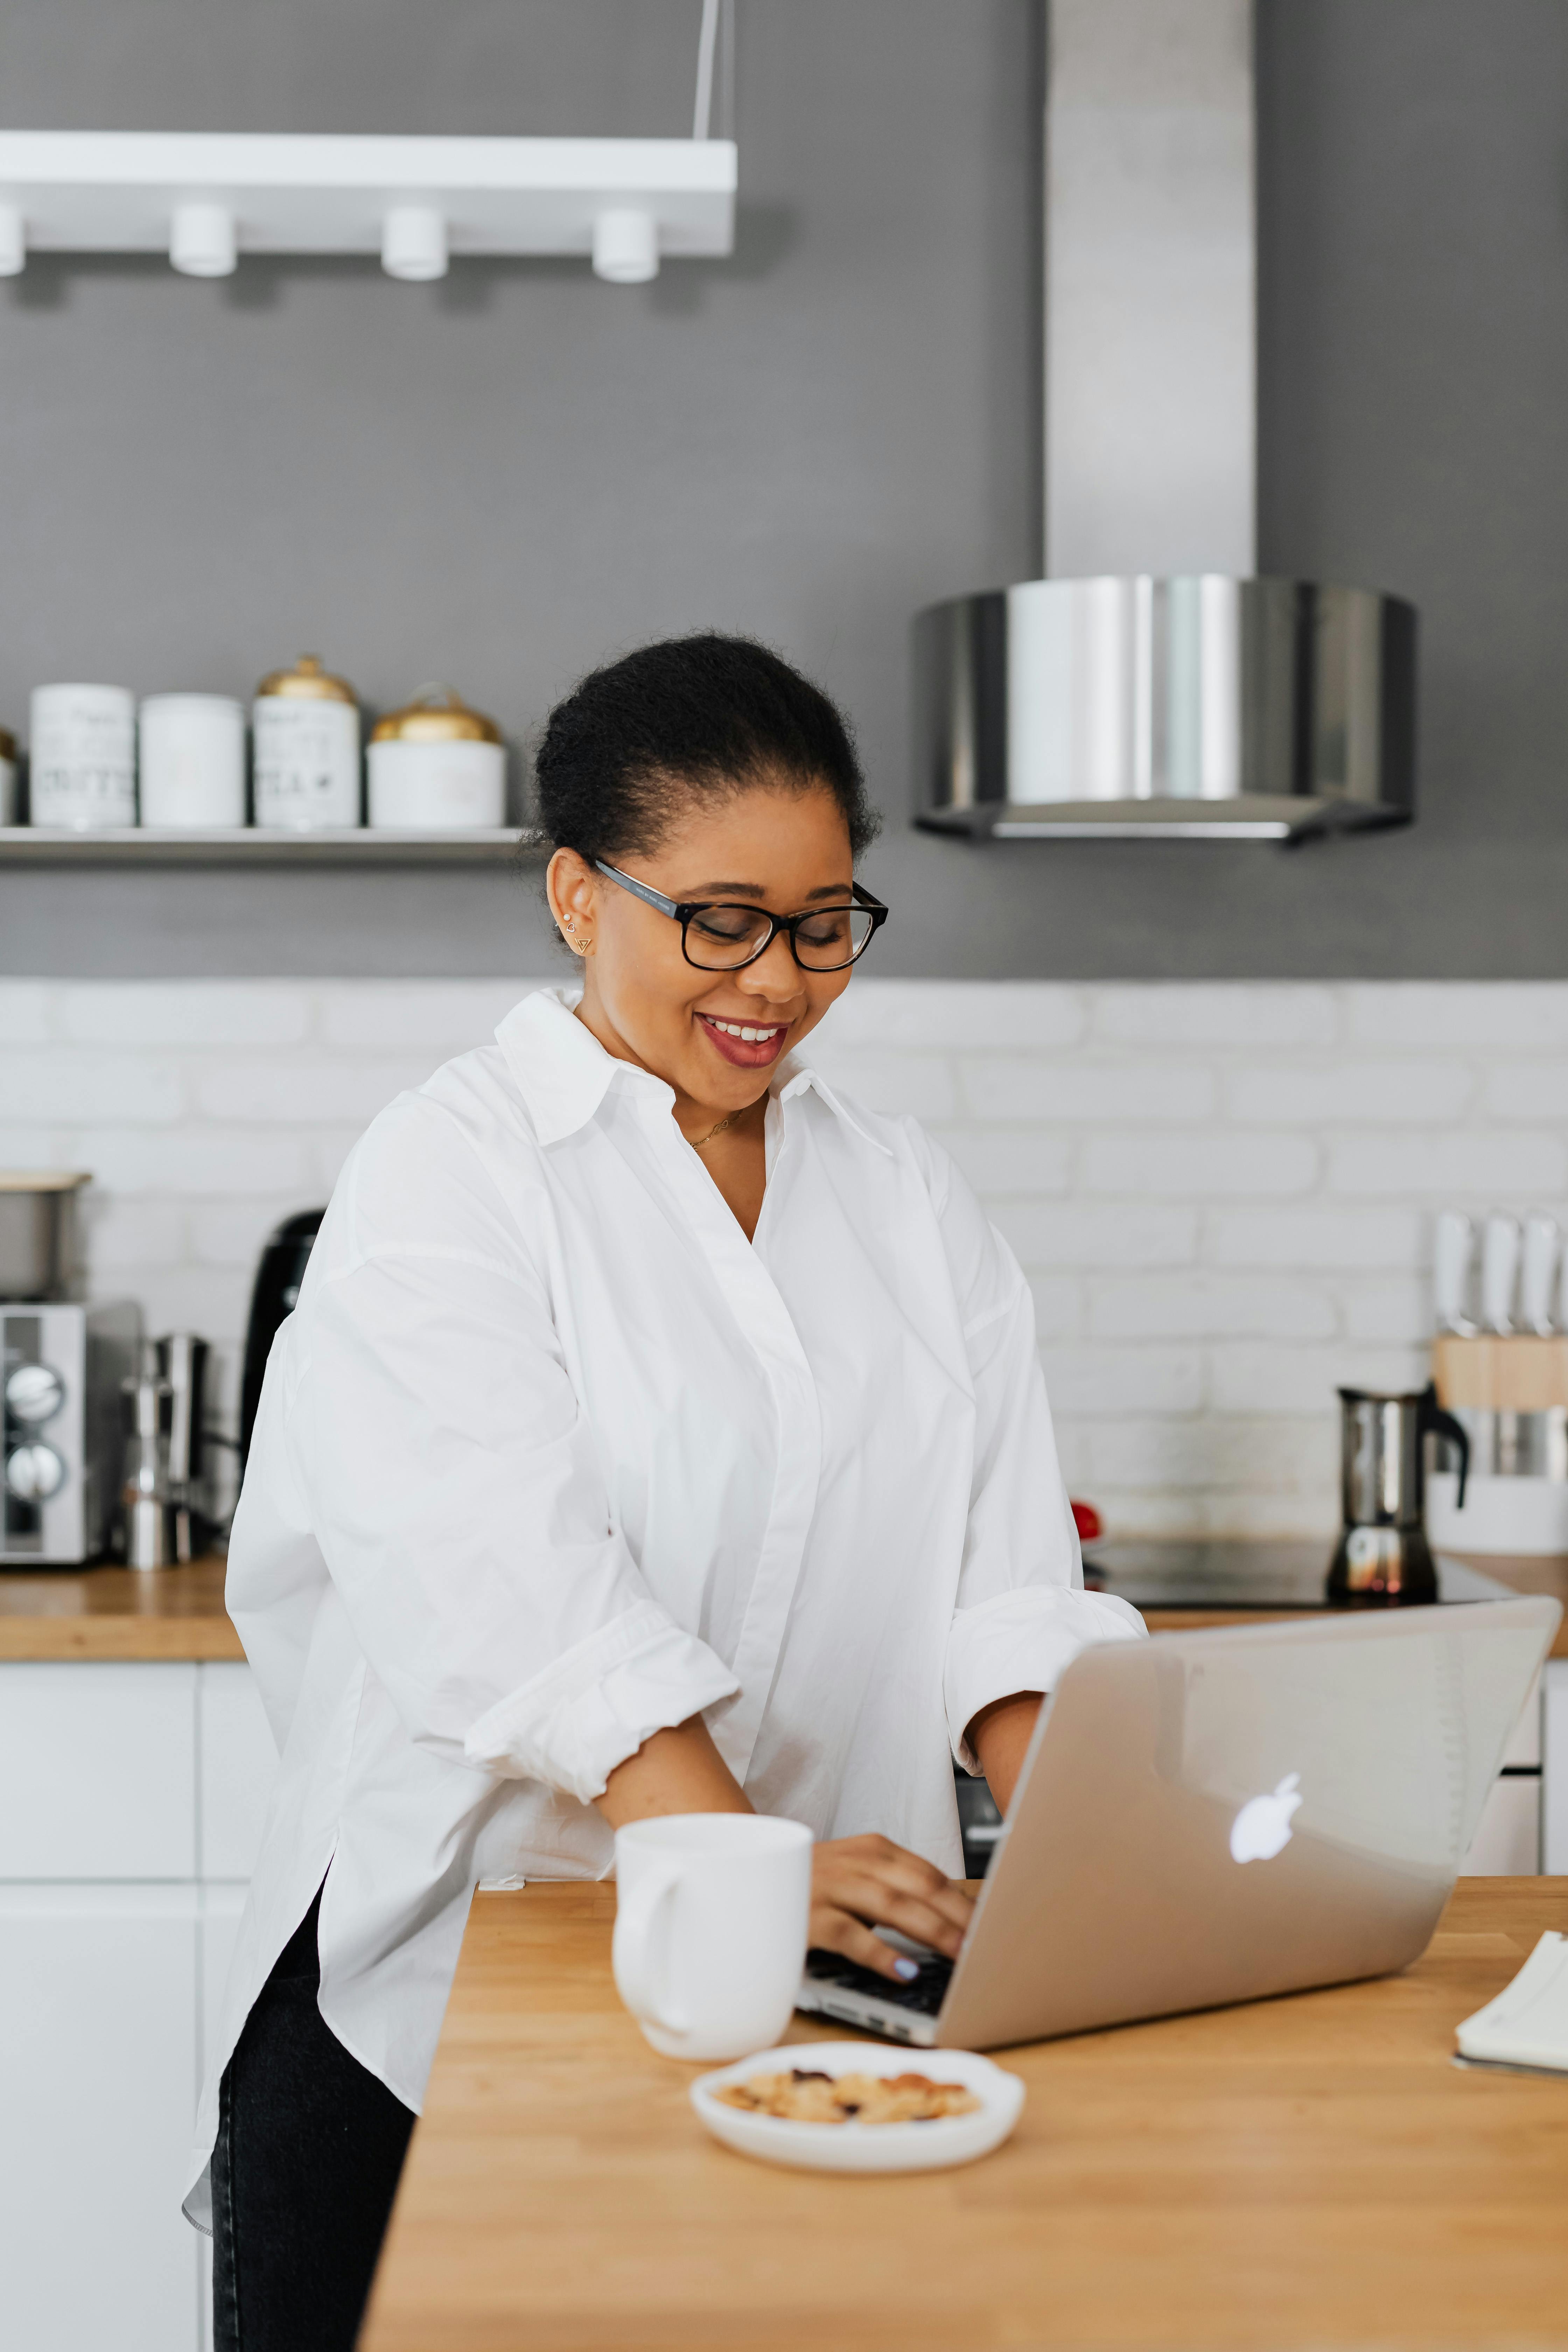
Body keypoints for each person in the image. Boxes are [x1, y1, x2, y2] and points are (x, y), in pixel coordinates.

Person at [187, 632, 1146, 2351]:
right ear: (576, 896)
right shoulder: (452, 1168)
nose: (777, 982)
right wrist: (740, 1864)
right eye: (719, 918)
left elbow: (1006, 1590)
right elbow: (507, 1587)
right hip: (447, 2012)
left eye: (825, 923)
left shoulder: (903, 1194)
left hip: (828, 2017)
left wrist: (1117, 1880)